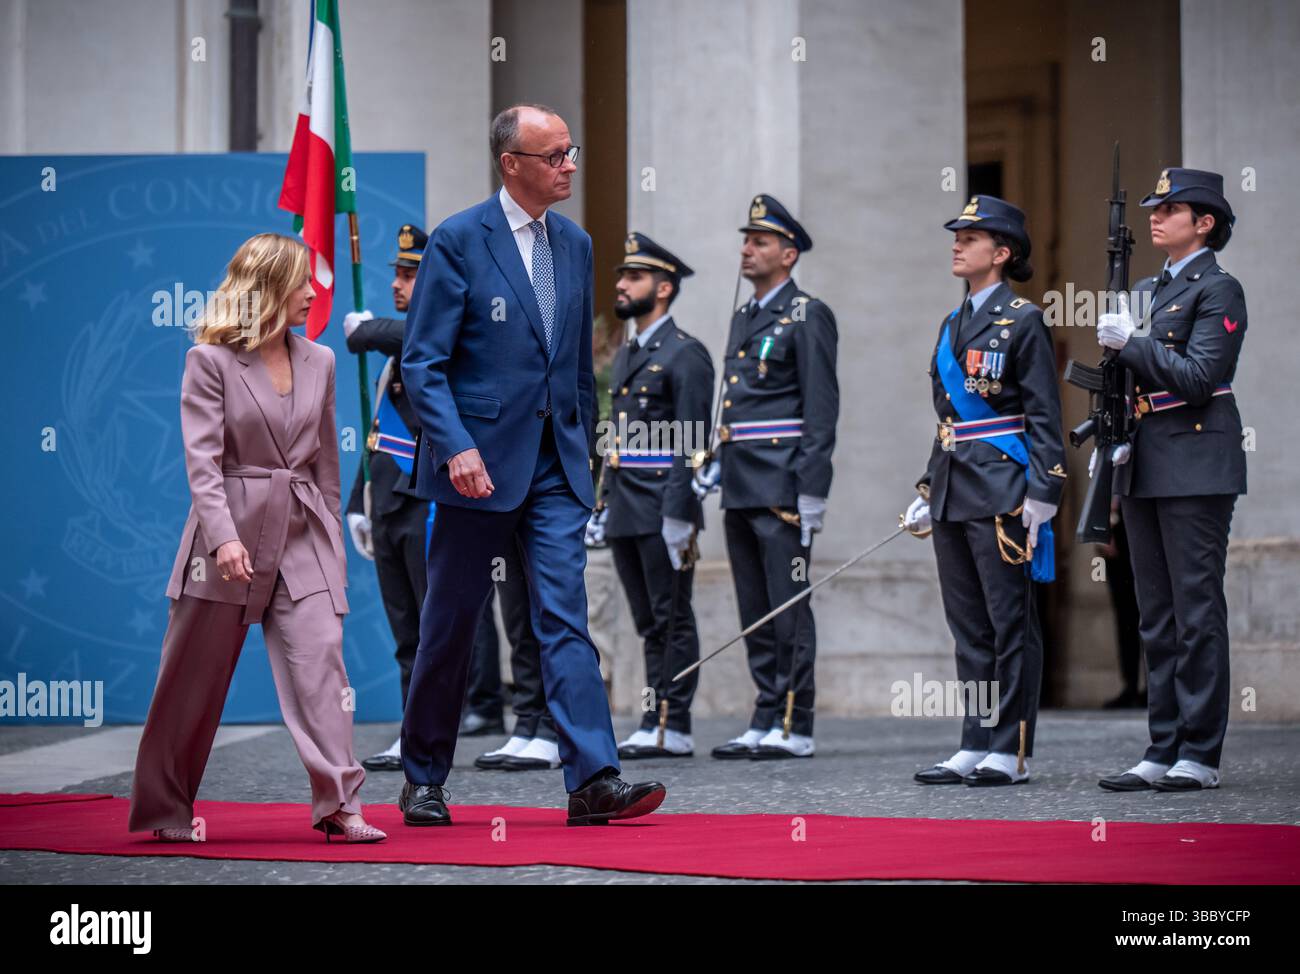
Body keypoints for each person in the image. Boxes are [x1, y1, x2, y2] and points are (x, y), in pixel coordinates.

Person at [398, 103, 666, 826]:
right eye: (554, 156)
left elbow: (576, 366)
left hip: (554, 469)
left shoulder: (575, 243)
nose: (569, 165)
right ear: (511, 164)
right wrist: (456, 447)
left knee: (562, 618)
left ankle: (593, 780)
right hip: (474, 466)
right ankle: (423, 777)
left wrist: (588, 455)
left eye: (570, 152)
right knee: (450, 624)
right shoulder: (459, 239)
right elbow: (422, 363)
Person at [129, 233, 383, 843]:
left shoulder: (320, 360)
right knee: (191, 675)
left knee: (322, 660)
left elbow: (324, 464)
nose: (312, 292)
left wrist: (331, 548)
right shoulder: (209, 360)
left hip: (300, 532)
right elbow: (203, 463)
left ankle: (340, 805)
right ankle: (165, 807)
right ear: (267, 288)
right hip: (228, 535)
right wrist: (222, 540)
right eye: (301, 282)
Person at [906, 196, 1066, 787]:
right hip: (953, 487)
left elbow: (1045, 413)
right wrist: (928, 484)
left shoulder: (1022, 319)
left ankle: (1011, 746)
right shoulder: (952, 325)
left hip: (1002, 488)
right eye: (957, 235)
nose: (957, 244)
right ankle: (975, 739)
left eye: (971, 237)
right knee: (969, 626)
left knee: (1010, 623)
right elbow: (948, 421)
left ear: (1002, 253)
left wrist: (1045, 487)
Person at [1094, 168, 1245, 793]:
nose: (1156, 216)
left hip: (1197, 458)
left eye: (1171, 208)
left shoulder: (1220, 288)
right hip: (1145, 456)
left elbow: (1199, 378)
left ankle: (1200, 753)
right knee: (1154, 613)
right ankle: (1162, 745)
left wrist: (1133, 343)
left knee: (1196, 609)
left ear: (1204, 223)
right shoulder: (1153, 288)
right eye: (1155, 207)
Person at [342, 225, 504, 772]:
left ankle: (453, 720)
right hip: (390, 499)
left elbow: (410, 338)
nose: (397, 283)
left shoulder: (440, 333)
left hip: (430, 501)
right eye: (395, 273)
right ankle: (415, 727)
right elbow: (377, 433)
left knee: (442, 624)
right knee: (406, 629)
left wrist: (368, 332)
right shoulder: (400, 350)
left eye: (410, 274)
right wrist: (357, 503)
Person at [694, 195, 839, 760]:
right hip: (741, 483)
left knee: (788, 606)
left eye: (759, 242)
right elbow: (732, 407)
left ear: (789, 252)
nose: (746, 250)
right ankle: (763, 714)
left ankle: (794, 721)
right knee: (754, 605)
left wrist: (812, 488)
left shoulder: (808, 313)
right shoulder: (745, 317)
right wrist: (714, 464)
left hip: (783, 486)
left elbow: (821, 408)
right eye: (746, 240)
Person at [588, 233, 714, 759]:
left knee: (670, 616)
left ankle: (671, 722)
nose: (621, 284)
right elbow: (618, 439)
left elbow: (691, 441)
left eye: (634, 277)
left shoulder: (685, 354)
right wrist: (604, 502)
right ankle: (652, 715)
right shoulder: (630, 353)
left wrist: (680, 513)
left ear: (663, 288)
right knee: (645, 621)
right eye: (622, 276)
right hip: (627, 506)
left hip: (663, 505)